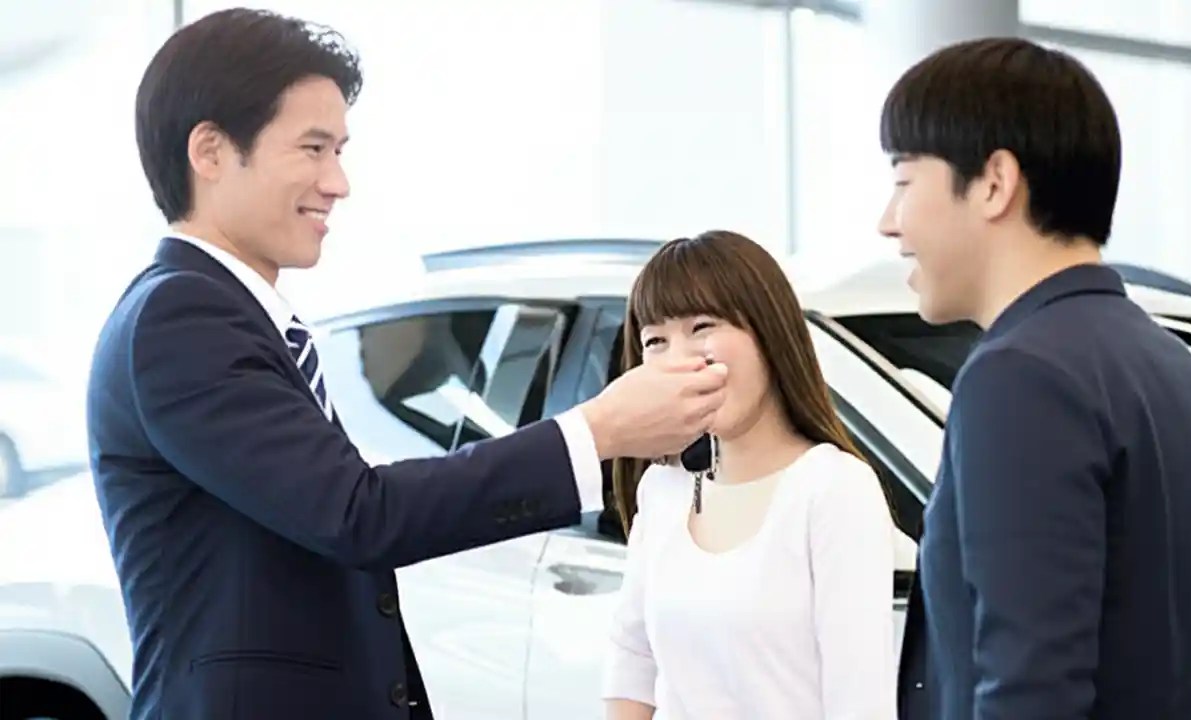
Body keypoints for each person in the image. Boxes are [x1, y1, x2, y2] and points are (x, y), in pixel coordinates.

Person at [86, 9, 728, 720]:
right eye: (313, 148)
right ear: (209, 151)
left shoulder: (225, 318)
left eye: (339, 150)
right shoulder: (182, 320)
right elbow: (360, 514)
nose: (338, 182)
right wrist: (597, 431)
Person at [878, 38, 1191, 720]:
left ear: (994, 182)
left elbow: (1031, 693)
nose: (889, 222)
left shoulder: (1019, 377)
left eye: (905, 180)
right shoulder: (1180, 373)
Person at [601, 231, 899, 719]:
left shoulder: (834, 488)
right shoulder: (664, 489)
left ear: (768, 331)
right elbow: (631, 659)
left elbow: (860, 704)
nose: (679, 360)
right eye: (656, 340)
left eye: (703, 327)